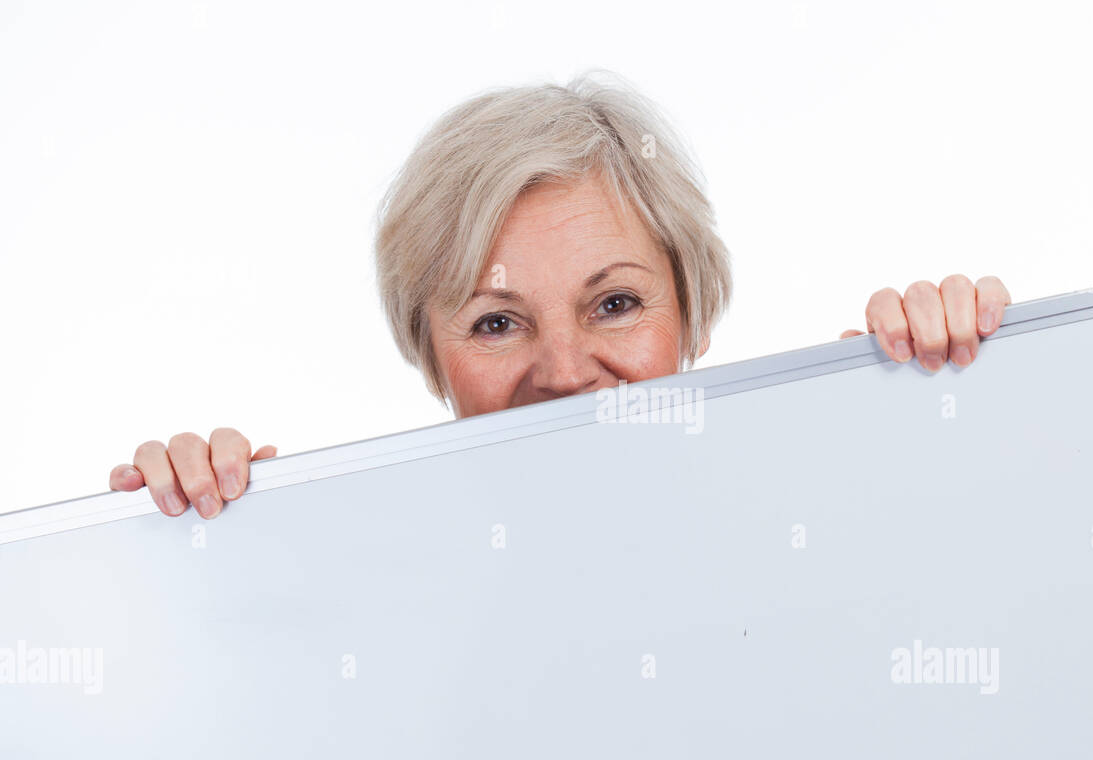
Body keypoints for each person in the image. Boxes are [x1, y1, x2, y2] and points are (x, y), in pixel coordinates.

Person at [109, 73, 1011, 519]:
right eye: (497, 322)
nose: (567, 373)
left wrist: (951, 407)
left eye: (615, 304)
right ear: (433, 361)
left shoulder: (824, 514)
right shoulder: (361, 599)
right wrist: (192, 558)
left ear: (690, 314)